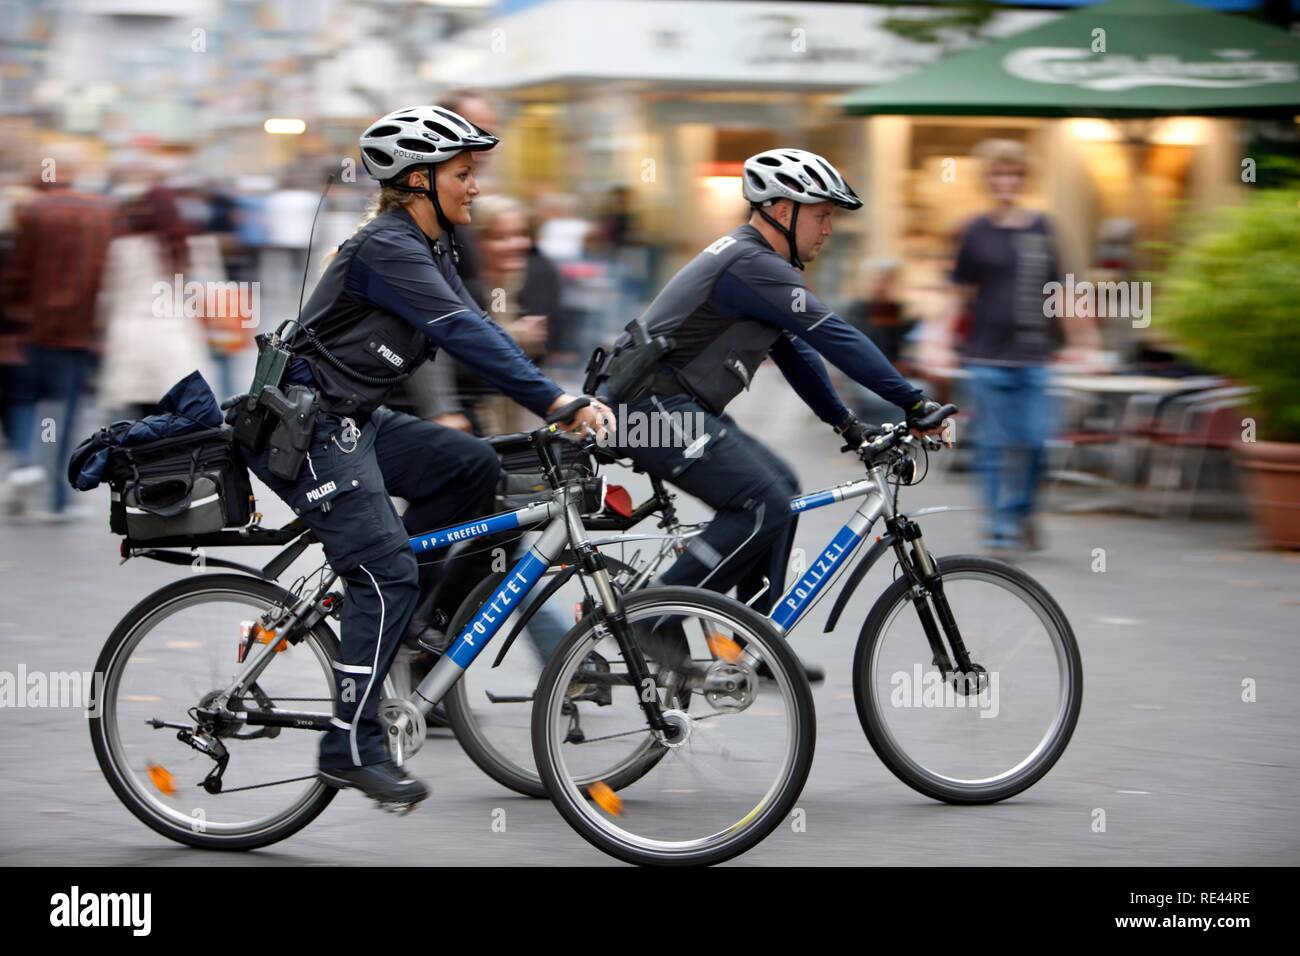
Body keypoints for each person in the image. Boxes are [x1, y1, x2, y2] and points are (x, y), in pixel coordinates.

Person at [239, 105, 609, 809]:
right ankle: (349, 747)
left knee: (471, 466)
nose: (475, 187)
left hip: (354, 418)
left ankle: (412, 621)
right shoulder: (388, 246)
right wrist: (555, 402)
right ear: (417, 179)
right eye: (464, 174)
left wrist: (533, 410)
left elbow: (468, 337)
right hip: (307, 428)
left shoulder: (429, 247)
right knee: (384, 574)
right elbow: (461, 328)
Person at [606, 148, 944, 681]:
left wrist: (845, 424)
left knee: (781, 489)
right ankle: (658, 614)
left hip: (673, 405)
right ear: (782, 211)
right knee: (761, 503)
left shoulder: (760, 266)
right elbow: (836, 335)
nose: (829, 229)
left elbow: (799, 352)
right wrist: (914, 402)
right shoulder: (751, 263)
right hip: (649, 407)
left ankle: (749, 643)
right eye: (821, 214)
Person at [921, 139, 1101, 557]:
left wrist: (1085, 342)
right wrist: (939, 342)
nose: (1006, 181)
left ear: (1024, 179)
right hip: (986, 358)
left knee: (1038, 441)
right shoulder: (975, 231)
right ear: (988, 180)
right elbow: (956, 294)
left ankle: (1021, 513)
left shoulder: (1044, 229)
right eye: (998, 174)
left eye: (1014, 174)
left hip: (1035, 358)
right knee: (995, 446)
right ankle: (1000, 529)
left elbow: (1065, 293)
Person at [1, 144, 117, 518]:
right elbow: (106, 273)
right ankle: (60, 496)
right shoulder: (102, 211)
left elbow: (18, 271)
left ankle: (26, 466)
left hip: (36, 326)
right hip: (81, 330)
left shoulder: (35, 211)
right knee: (66, 411)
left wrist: (13, 312)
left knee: (27, 402)